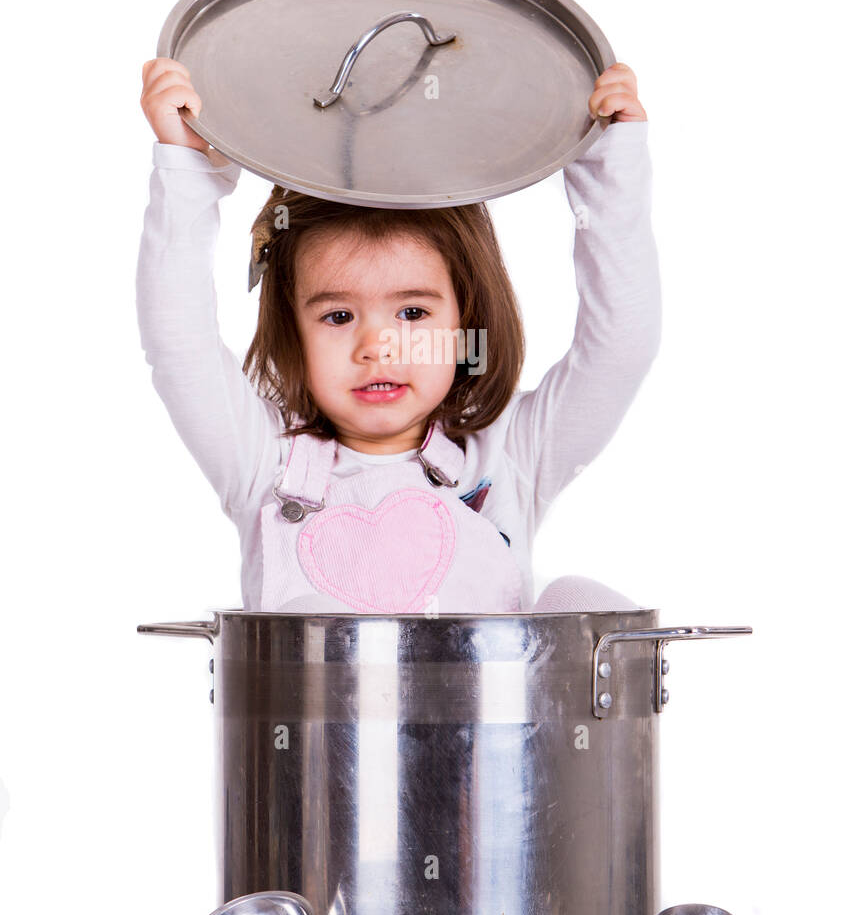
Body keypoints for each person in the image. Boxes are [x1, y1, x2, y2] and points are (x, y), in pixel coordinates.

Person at [137, 57, 661, 615]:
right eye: (338, 317)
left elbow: (620, 343)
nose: (377, 346)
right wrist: (189, 166)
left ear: (465, 326)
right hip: (314, 705)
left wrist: (609, 164)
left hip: (492, 705)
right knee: (311, 615)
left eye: (412, 314)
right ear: (294, 334)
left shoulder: (510, 456)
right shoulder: (264, 463)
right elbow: (179, 344)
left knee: (579, 601)